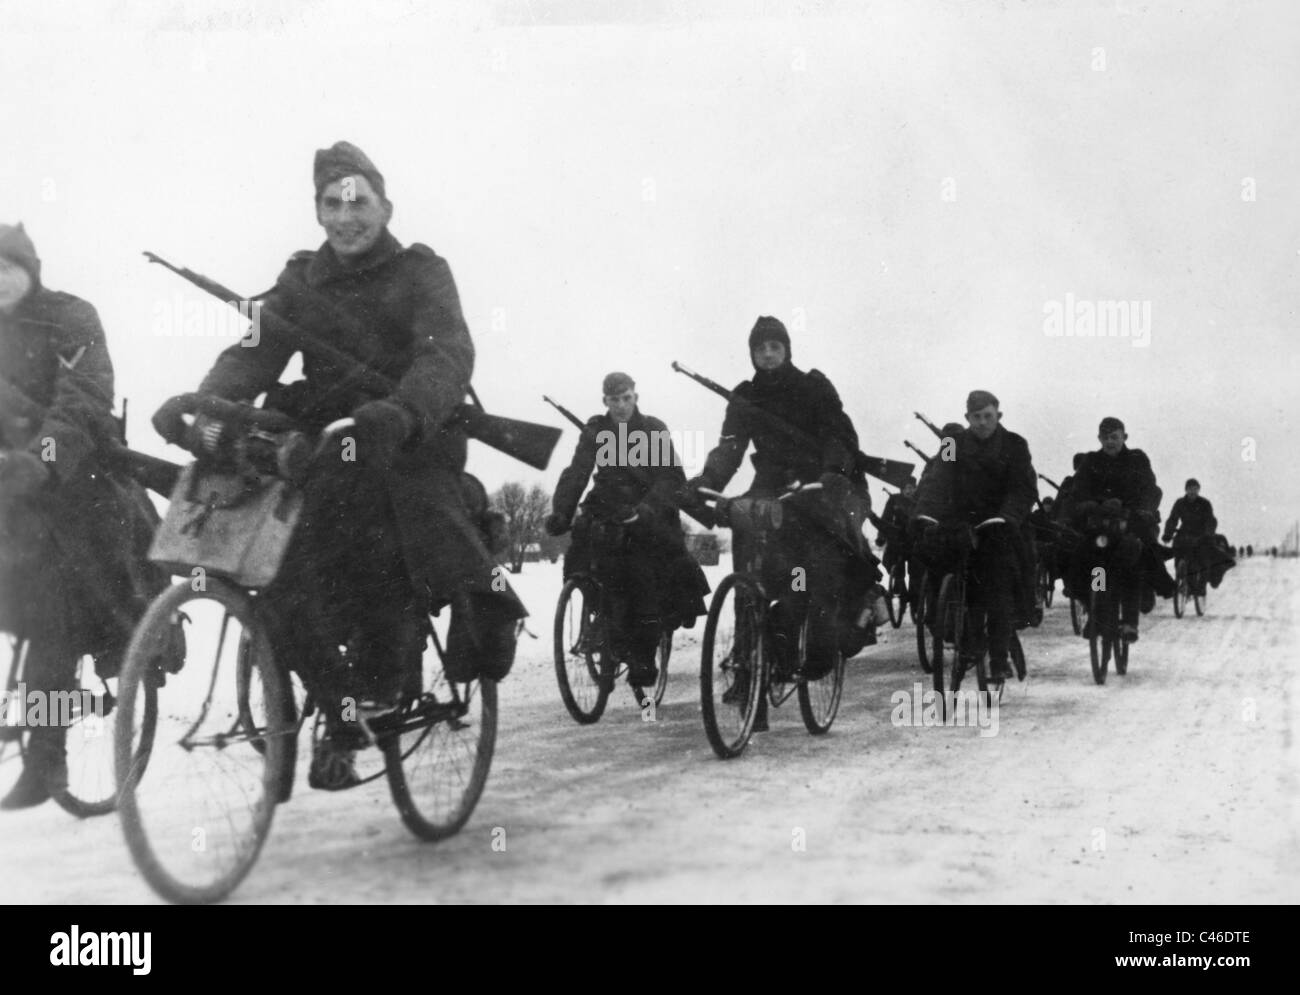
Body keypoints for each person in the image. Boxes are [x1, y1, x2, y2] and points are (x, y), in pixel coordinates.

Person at [154, 142, 524, 790]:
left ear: (384, 204)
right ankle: (339, 706)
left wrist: (403, 410)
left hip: (406, 436)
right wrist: (209, 404)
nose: (346, 215)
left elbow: (446, 355)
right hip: (322, 437)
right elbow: (253, 352)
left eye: (359, 201)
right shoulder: (301, 281)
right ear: (318, 210)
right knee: (276, 570)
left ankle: (384, 684)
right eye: (332, 202)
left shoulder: (420, 272)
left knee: (388, 542)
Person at [0, 222, 167, 809]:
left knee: (55, 626)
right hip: (12, 499)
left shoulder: (70, 318)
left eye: (6, 267)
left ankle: (45, 765)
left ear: (30, 268)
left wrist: (39, 462)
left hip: (84, 493)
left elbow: (81, 401)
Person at [687, 316, 879, 723]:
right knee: (747, 551)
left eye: (775, 346)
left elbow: (839, 436)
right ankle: (748, 663)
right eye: (760, 348)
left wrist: (832, 473)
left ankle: (817, 640)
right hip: (770, 485)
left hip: (818, 487)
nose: (768, 354)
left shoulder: (813, 386)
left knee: (814, 574)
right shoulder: (745, 396)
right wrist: (707, 480)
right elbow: (730, 447)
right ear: (752, 354)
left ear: (787, 349)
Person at [545, 372, 709, 688]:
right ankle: (598, 621)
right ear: (604, 401)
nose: (620, 406)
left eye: (626, 398)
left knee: (643, 574)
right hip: (606, 505)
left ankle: (643, 655)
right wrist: (562, 512)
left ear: (636, 397)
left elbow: (670, 477)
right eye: (613, 400)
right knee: (581, 558)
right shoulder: (596, 429)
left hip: (648, 511)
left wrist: (644, 511)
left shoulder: (653, 429)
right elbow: (576, 473)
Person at [912, 390, 1036, 682]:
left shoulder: (1014, 445)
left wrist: (1007, 517)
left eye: (988, 416)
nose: (982, 423)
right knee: (938, 564)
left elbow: (1022, 488)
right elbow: (938, 480)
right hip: (959, 524)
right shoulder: (953, 444)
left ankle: (998, 658)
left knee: (999, 581)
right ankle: (958, 634)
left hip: (998, 524)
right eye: (976, 417)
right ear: (967, 418)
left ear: (998, 416)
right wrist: (925, 513)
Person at [1065, 416, 1170, 642]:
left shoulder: (1137, 459)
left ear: (1124, 437)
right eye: (1105, 437)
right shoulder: (1091, 461)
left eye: (1115, 437)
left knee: (1133, 560)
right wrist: (1089, 506)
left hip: (1129, 522)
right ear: (1099, 439)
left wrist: (1144, 510)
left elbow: (1150, 489)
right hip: (1100, 525)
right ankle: (1095, 613)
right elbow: (1079, 492)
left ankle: (1130, 621)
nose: (1110, 442)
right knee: (1093, 564)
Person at [1162, 478, 1225, 595]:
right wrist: (1167, 534)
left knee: (1203, 558)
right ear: (1186, 490)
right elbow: (1173, 519)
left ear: (1198, 490)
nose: (1192, 492)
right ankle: (1181, 575)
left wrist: (1208, 533)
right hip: (1185, 533)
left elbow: (1210, 520)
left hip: (1201, 534)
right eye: (1190, 489)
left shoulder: (1205, 504)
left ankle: (1201, 587)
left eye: (1195, 489)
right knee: (1178, 551)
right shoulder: (1180, 503)